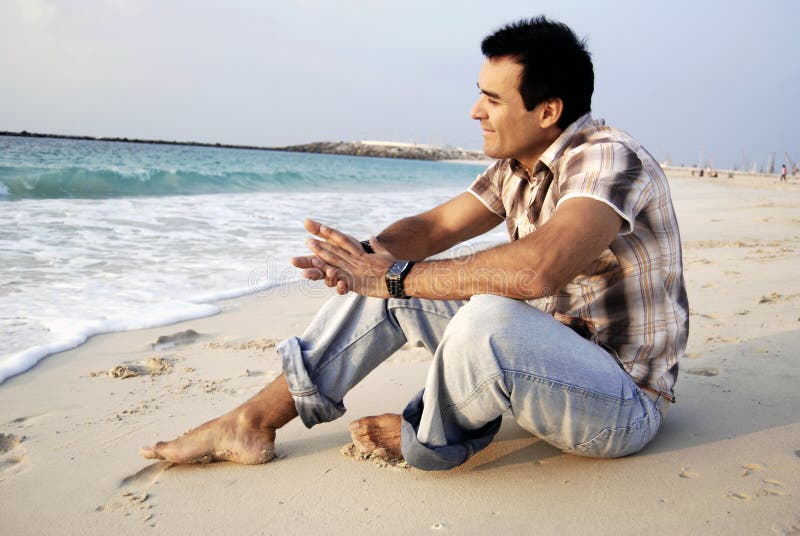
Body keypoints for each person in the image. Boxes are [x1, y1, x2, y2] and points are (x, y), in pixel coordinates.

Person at [141, 16, 689, 470]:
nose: (476, 111)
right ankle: (250, 423)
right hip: (552, 356)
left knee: (482, 316)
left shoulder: (607, 157)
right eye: (480, 94)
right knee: (386, 278)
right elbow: (433, 228)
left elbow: (538, 271)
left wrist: (394, 274)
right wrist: (366, 255)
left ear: (548, 111)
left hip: (621, 400)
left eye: (492, 100)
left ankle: (423, 434)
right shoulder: (516, 168)